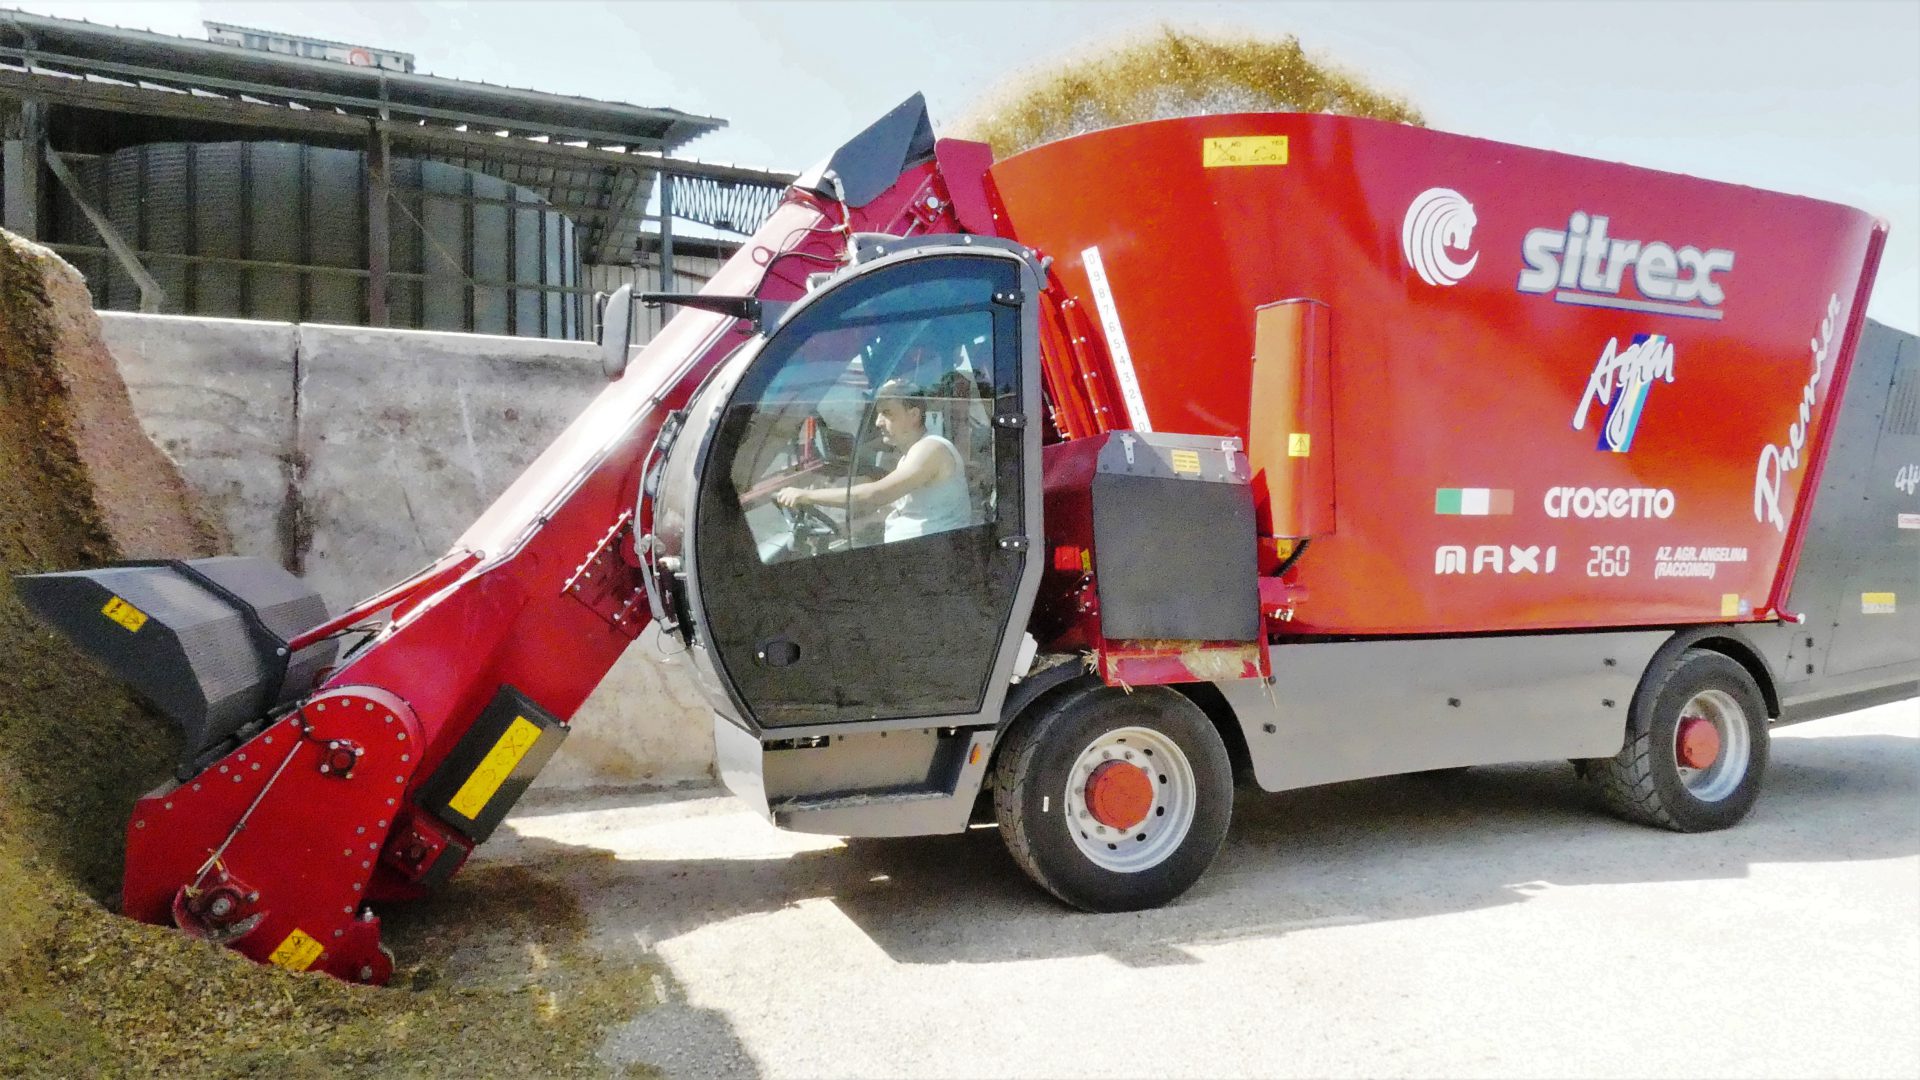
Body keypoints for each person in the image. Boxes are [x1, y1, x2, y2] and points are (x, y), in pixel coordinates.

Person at [775, 377, 971, 543]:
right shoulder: (910, 455)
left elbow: (877, 494)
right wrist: (851, 527)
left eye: (887, 413)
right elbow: (900, 510)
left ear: (913, 415)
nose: (878, 422)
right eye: (878, 414)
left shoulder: (931, 449)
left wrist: (804, 496)